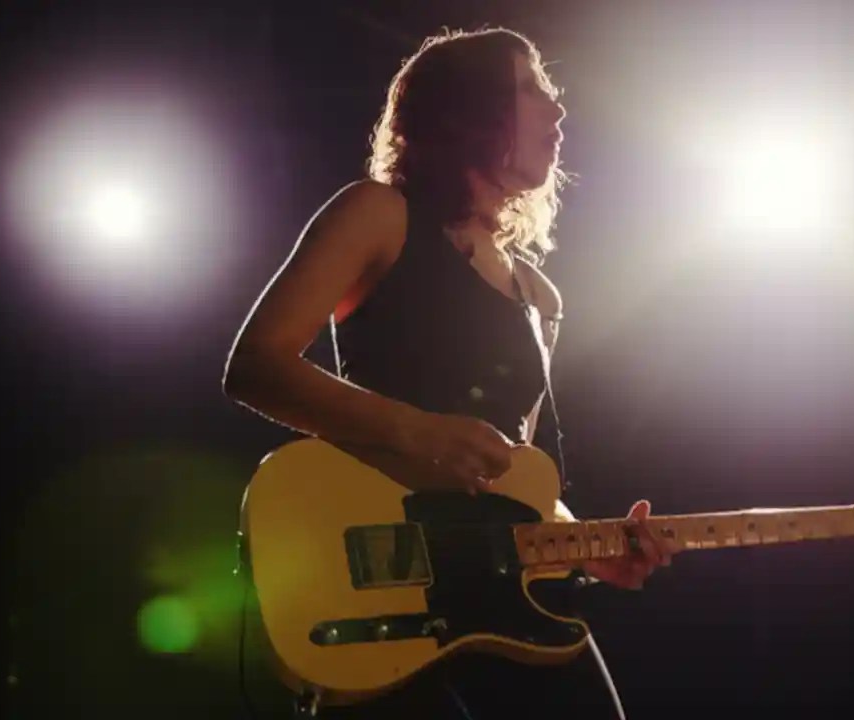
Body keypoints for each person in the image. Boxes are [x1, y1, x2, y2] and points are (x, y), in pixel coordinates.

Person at [223, 26, 670, 719]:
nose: (557, 110)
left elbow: (512, 479)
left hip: (501, 601)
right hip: (381, 580)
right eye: (531, 88)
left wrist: (585, 548)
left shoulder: (540, 295)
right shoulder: (378, 214)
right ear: (466, 109)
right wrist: (420, 430)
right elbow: (256, 364)